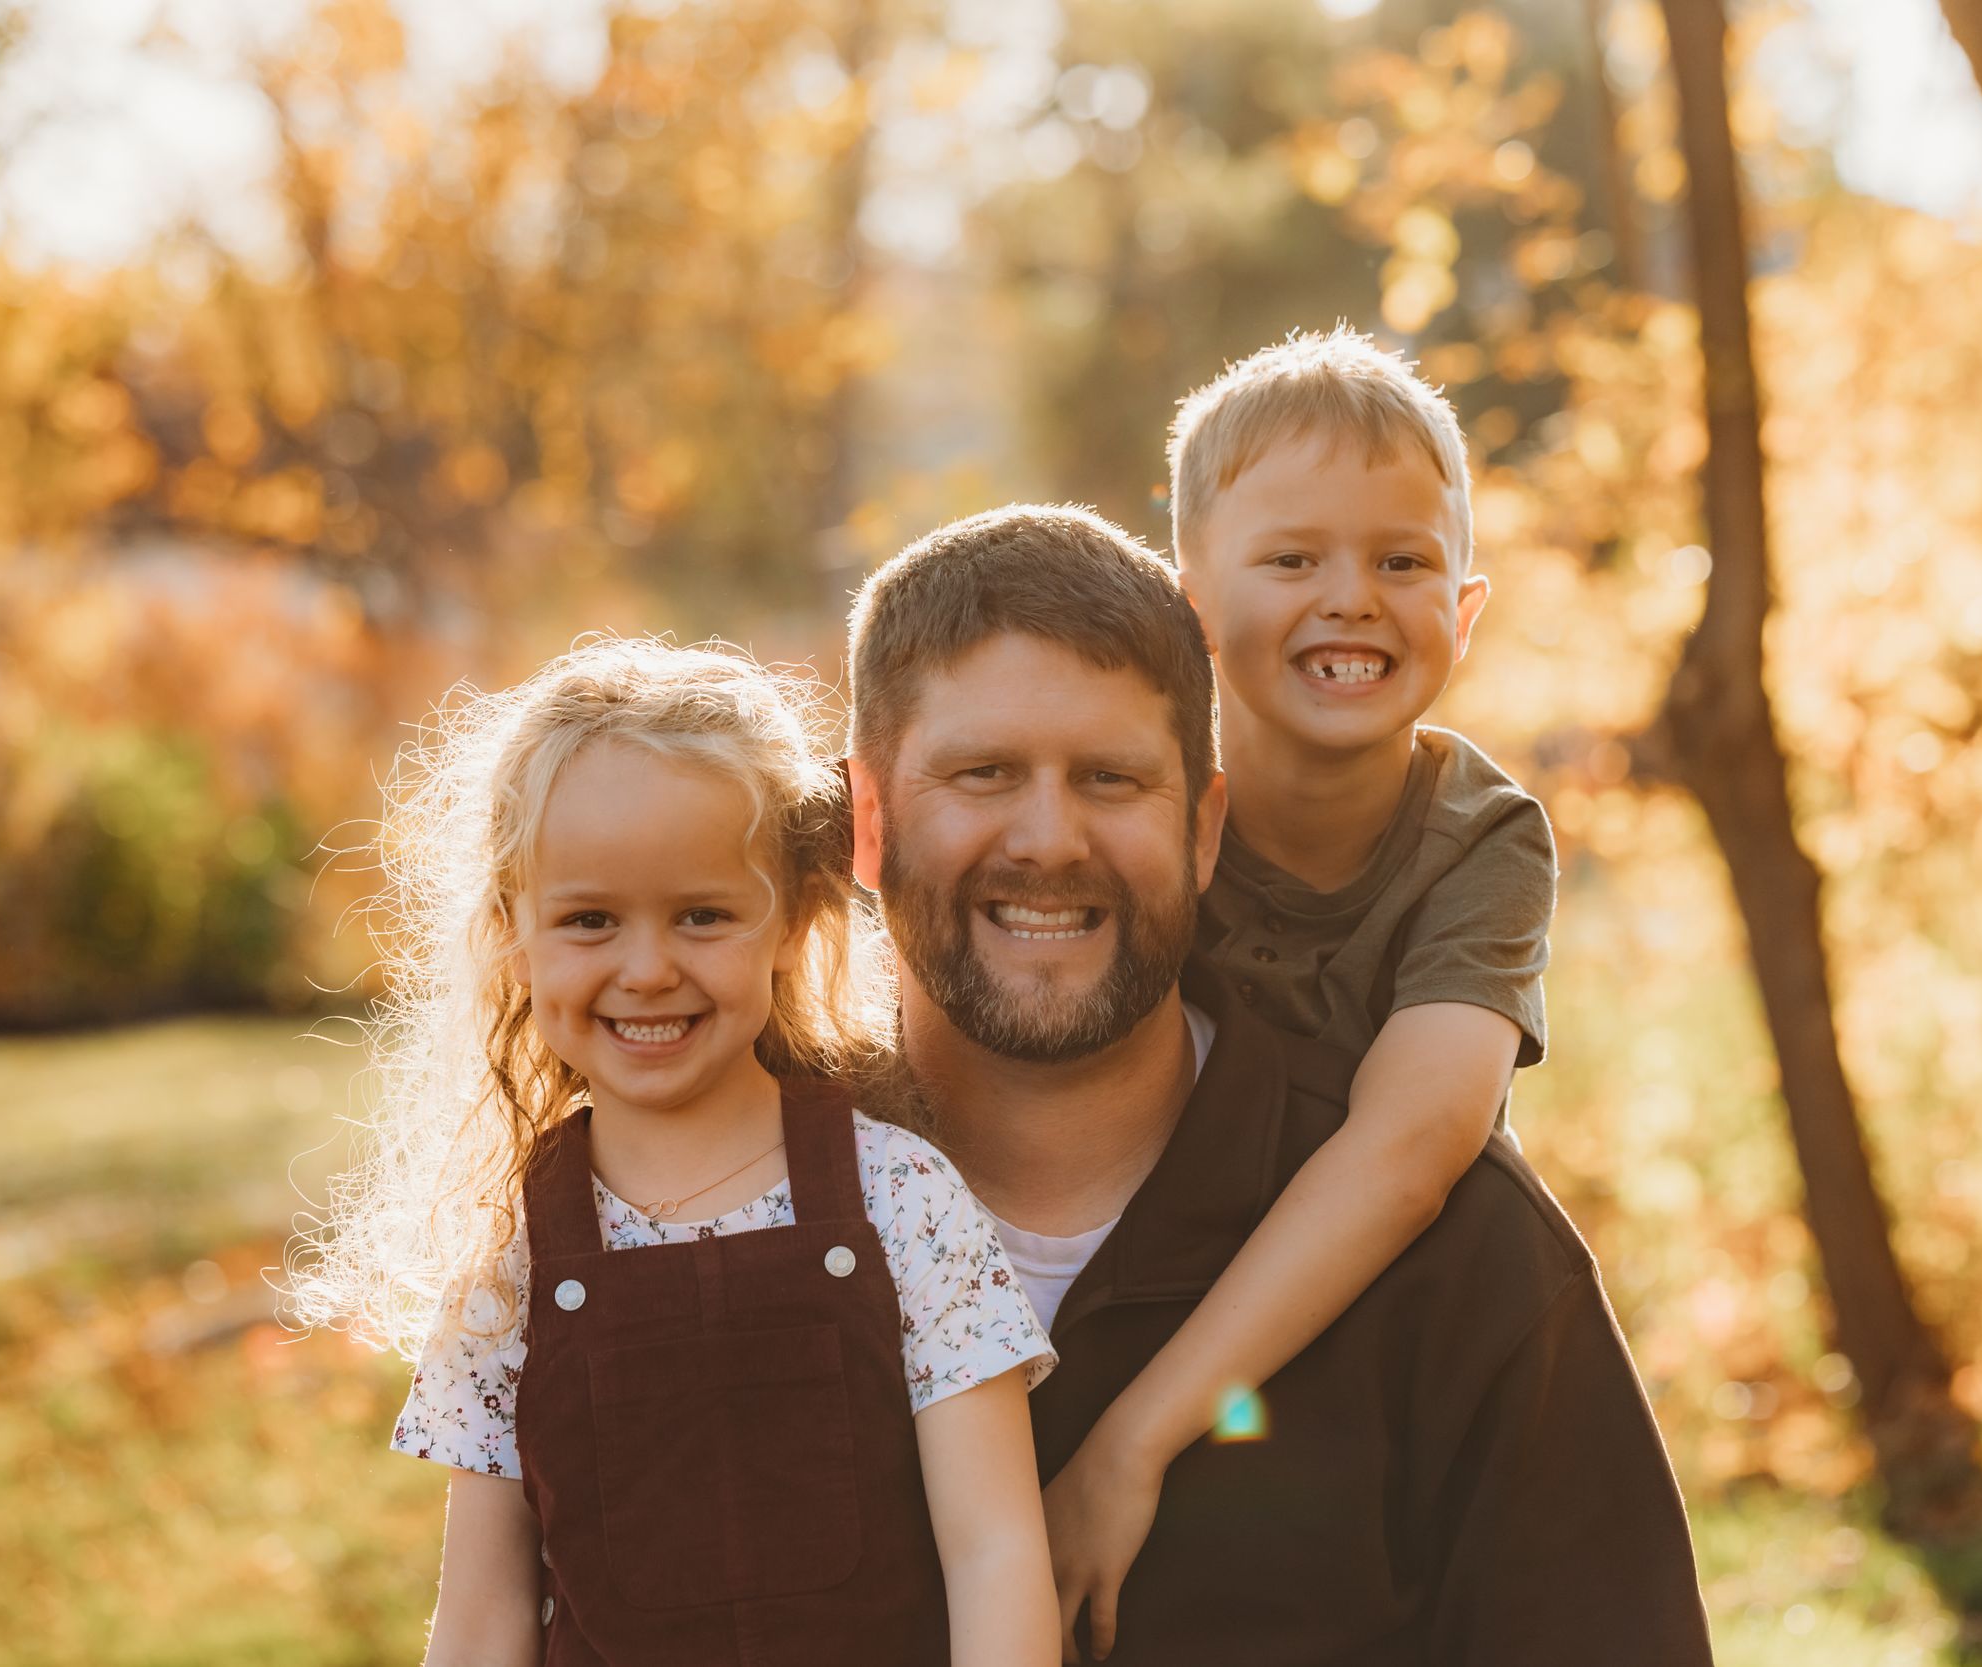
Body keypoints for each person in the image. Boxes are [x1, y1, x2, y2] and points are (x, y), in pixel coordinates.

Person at [847, 507, 1713, 1664]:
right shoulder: (704, 1224)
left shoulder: (1463, 1260)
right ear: (869, 821)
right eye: (983, 773)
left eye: (1111, 778)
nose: (1048, 837)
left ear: (1205, 830)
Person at [290, 637, 1060, 1667]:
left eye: (702, 915)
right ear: (513, 933)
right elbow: (481, 1619)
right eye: (590, 919)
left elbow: (997, 1551)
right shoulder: (510, 1261)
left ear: (789, 920)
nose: (647, 968)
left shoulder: (900, 1196)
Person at [1039, 328, 1556, 1654]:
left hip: (1379, 1317)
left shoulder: (1479, 836)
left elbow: (1410, 1149)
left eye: (1402, 560)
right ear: (1190, 600)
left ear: (1466, 605)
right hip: (1134, 1278)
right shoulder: (1134, 804)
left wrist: (1128, 1444)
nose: (1353, 597)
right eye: (1292, 558)